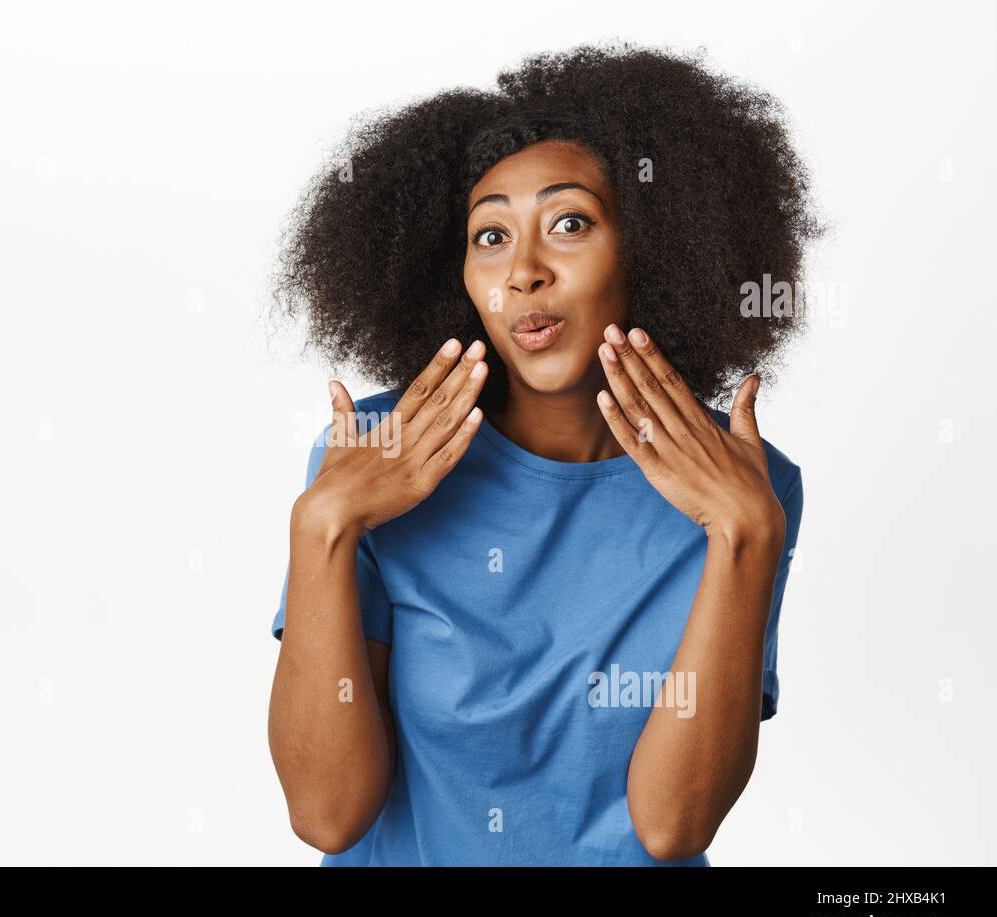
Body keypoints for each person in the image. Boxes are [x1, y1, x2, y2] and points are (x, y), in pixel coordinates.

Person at [265, 43, 821, 866]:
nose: (523, 271)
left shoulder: (748, 486)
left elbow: (672, 828)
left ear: (652, 249)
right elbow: (326, 815)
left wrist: (745, 535)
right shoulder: (371, 458)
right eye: (490, 235)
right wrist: (322, 526)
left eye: (570, 224)